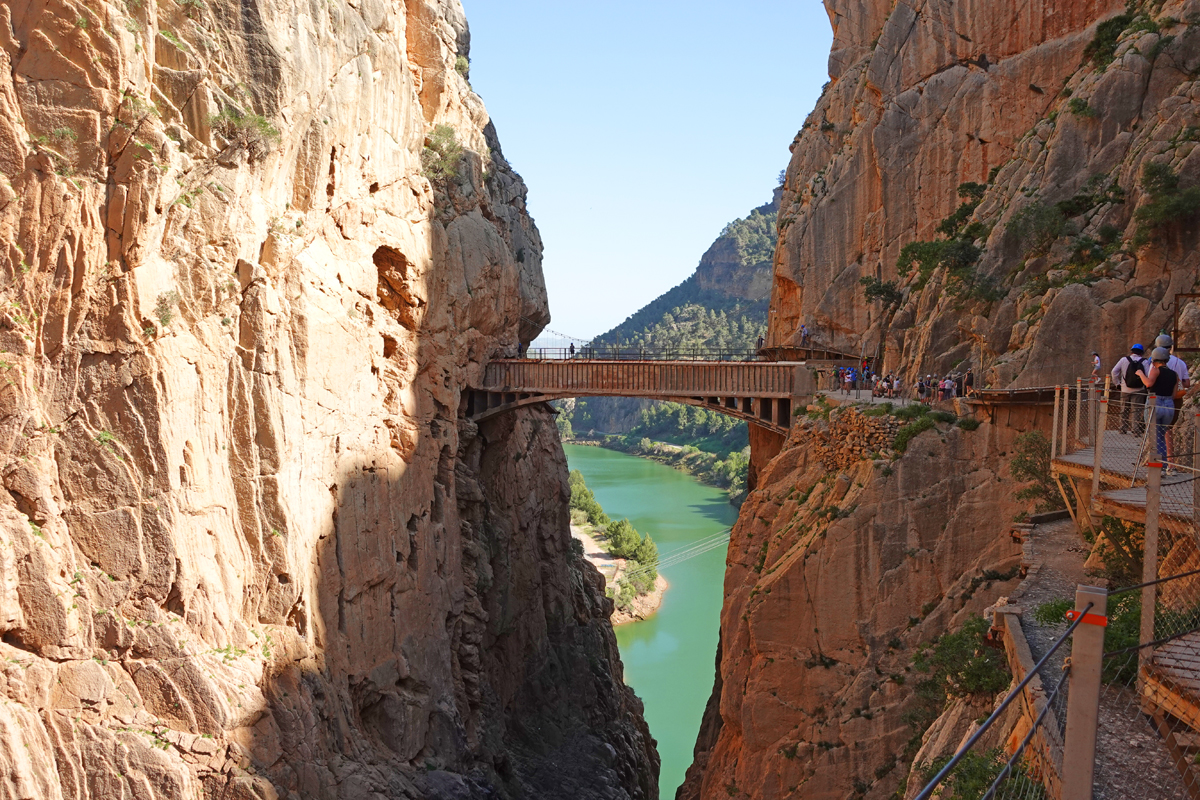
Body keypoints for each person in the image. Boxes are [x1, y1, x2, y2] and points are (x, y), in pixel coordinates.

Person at [1138, 347, 1179, 469]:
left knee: (1154, 436)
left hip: (1155, 403)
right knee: (1161, 435)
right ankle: (1163, 464)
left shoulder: (1156, 370)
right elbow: (1174, 394)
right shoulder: (1174, 374)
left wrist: (1140, 374)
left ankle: (1158, 466)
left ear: (1154, 360)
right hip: (1169, 405)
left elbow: (1149, 383)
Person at [1110, 343, 1148, 434]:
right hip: (1139, 390)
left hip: (1125, 389)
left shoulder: (1124, 360)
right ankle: (1135, 430)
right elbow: (1148, 374)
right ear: (1141, 353)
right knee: (1137, 410)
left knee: (1124, 409)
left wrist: (1117, 384)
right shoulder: (1144, 361)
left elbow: (1114, 372)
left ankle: (1123, 428)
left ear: (1132, 351)